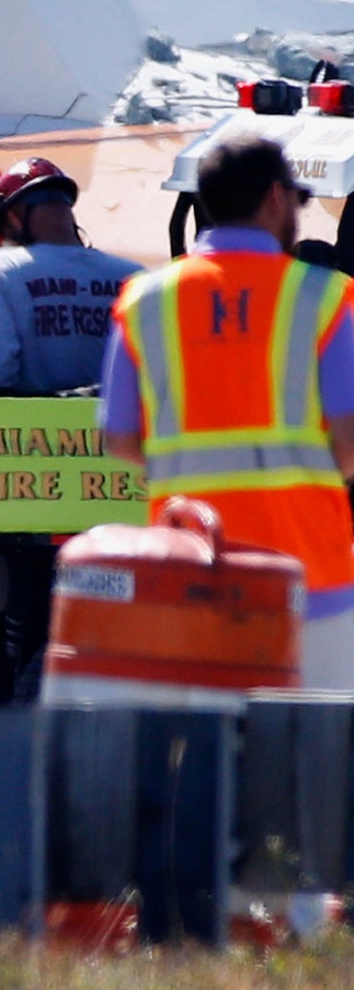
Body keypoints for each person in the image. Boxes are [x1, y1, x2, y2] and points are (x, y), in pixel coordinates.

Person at [101, 134, 354, 688]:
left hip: (188, 575)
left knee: (198, 759)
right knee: (320, 757)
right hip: (309, 575)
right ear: (273, 199)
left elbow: (119, 440)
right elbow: (350, 445)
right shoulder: (325, 298)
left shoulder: (143, 300)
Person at [0, 157, 142, 394]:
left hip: (27, 426)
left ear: (13, 218)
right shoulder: (133, 276)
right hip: (119, 426)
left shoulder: (0, 270)